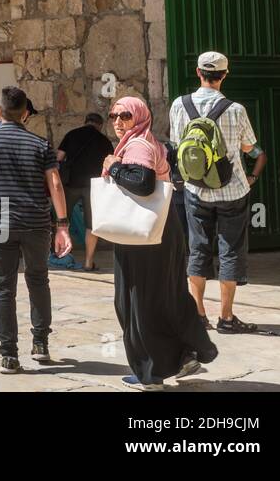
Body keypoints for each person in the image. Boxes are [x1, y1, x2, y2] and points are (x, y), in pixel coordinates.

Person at [103, 96, 217, 391]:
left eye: (125, 116)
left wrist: (114, 167)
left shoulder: (138, 145)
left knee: (135, 302)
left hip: (142, 235)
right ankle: (186, 354)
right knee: (164, 296)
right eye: (113, 115)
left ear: (139, 116)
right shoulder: (147, 140)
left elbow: (142, 182)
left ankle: (149, 373)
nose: (117, 122)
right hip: (161, 229)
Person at [0, 86, 71, 374]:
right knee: (38, 280)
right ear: (25, 114)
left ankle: (9, 355)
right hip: (35, 223)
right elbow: (56, 185)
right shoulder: (40, 144)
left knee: (3, 289)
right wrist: (62, 226)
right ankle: (41, 344)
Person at [168, 52, 258, 335]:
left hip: (196, 189)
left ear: (198, 72)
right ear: (224, 75)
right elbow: (248, 147)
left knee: (198, 247)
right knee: (230, 250)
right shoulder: (235, 109)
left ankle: (198, 314)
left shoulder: (179, 105)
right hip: (232, 189)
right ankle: (227, 317)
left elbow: (176, 144)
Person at [56, 113, 114, 271]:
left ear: (85, 121)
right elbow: (110, 164)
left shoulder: (72, 134)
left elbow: (59, 157)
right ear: (100, 125)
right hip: (93, 187)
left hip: (71, 184)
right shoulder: (104, 141)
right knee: (91, 224)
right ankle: (88, 262)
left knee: (63, 220)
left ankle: (63, 256)